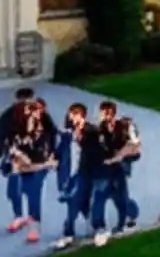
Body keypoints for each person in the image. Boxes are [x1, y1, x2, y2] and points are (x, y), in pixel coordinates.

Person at [53, 103, 110, 250]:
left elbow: (98, 151)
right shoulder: (69, 134)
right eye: (70, 115)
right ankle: (69, 234)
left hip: (92, 172)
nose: (70, 118)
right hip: (78, 174)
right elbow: (60, 151)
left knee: (95, 200)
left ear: (80, 115)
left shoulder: (91, 131)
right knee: (74, 202)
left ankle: (100, 230)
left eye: (73, 114)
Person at [9, 100, 55, 244]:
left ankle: (34, 227)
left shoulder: (44, 130)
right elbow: (13, 147)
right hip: (21, 164)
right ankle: (19, 217)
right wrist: (18, 155)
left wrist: (47, 162)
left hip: (38, 165)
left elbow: (44, 157)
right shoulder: (19, 127)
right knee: (13, 190)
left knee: (33, 192)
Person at [2, 87, 34, 233]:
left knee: (25, 187)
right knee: (13, 189)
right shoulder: (8, 116)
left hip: (33, 157)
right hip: (15, 155)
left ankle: (25, 216)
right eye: (22, 101)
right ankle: (20, 215)